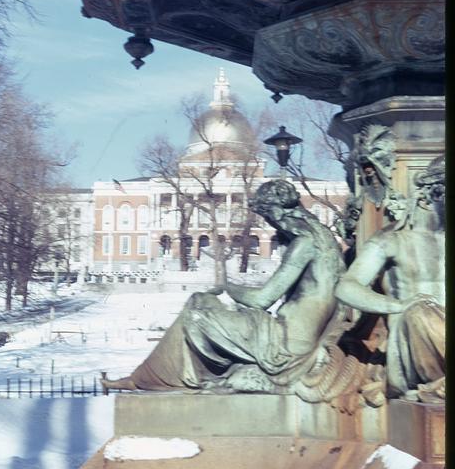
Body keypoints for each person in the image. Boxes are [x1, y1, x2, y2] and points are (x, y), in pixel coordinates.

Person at [102, 179, 350, 393]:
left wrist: (226, 287)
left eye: (268, 217)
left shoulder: (304, 244)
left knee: (197, 312)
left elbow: (262, 299)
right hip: (290, 333)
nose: (271, 225)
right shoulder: (324, 242)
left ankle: (148, 380)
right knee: (201, 305)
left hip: (284, 344)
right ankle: (151, 378)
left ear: (277, 212)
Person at [335, 155, 445, 401]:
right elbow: (346, 287)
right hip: (414, 349)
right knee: (419, 312)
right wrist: (397, 306)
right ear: (433, 194)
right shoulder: (393, 240)